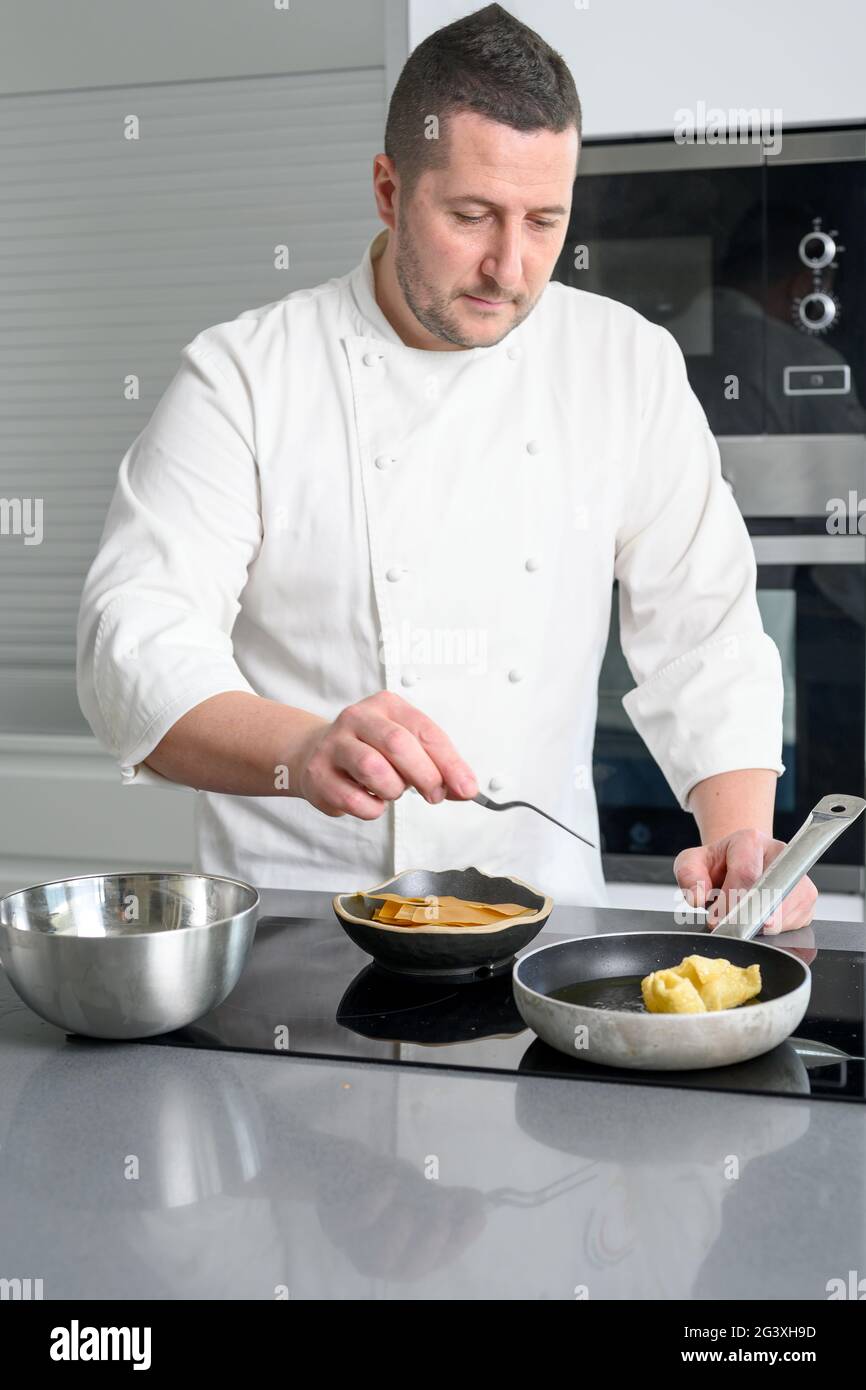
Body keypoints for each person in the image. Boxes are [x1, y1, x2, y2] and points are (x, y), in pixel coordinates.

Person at [76, 4, 816, 930]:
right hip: (295, 941)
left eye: (546, 221)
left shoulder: (624, 365)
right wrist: (303, 749)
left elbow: (704, 633)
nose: (511, 267)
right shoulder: (246, 377)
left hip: (546, 939)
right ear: (389, 189)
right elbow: (131, 646)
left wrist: (740, 837)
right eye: (472, 216)